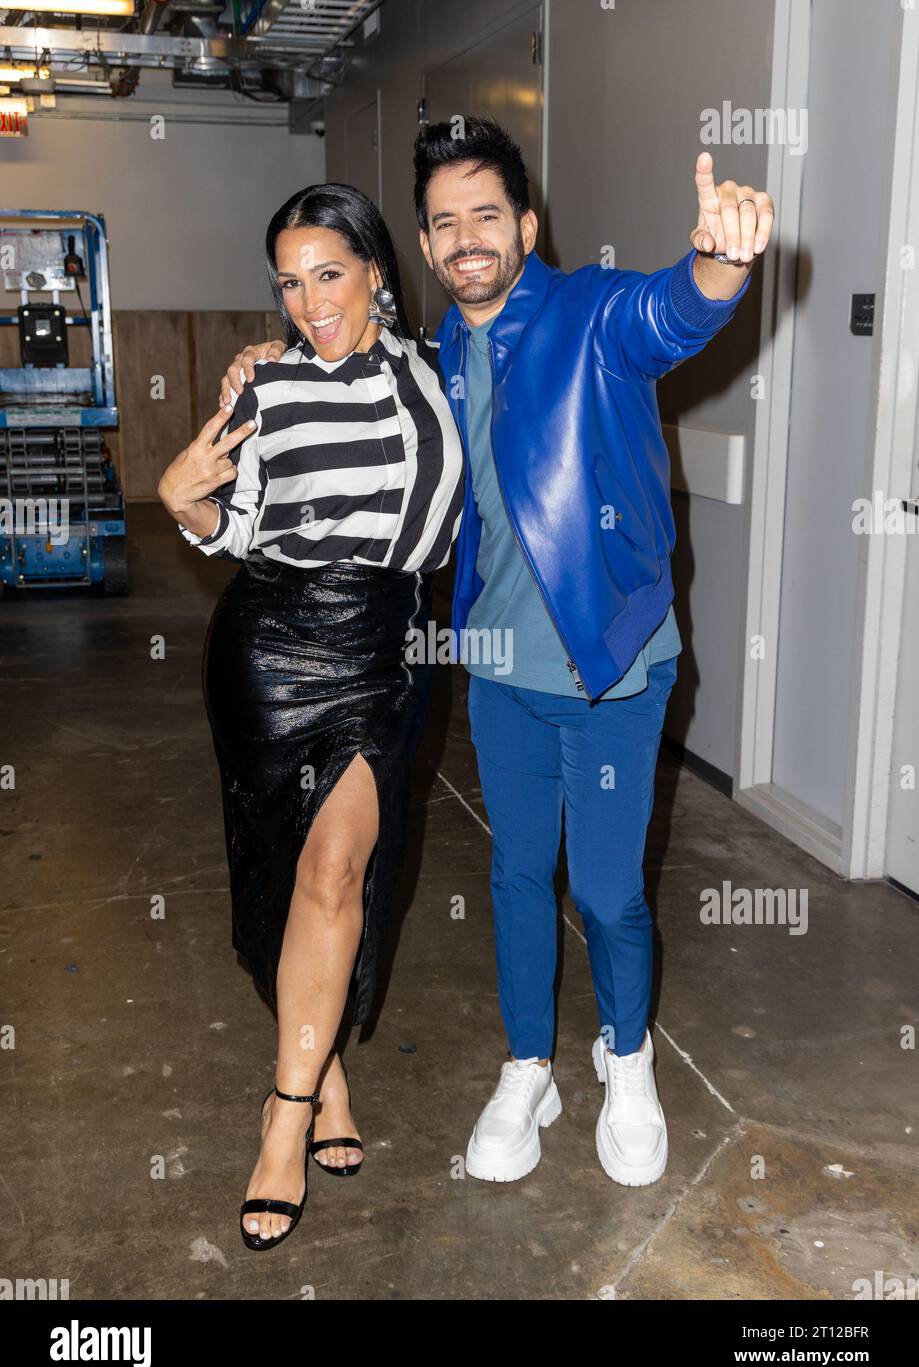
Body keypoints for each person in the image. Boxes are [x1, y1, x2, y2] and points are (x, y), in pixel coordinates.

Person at [220, 118, 773, 1189]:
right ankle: (528, 1066)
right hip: (496, 671)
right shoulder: (433, 361)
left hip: (610, 664)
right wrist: (268, 352)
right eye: (444, 222)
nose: (466, 237)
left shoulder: (589, 314)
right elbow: (340, 367)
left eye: (487, 214)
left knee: (608, 891)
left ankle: (626, 1060)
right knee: (517, 875)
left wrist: (722, 259)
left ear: (526, 224)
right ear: (422, 248)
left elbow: (670, 313)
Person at [157, 183, 464, 1249]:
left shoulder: (446, 373)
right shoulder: (268, 388)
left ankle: (279, 1124)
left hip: (383, 647)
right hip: (267, 646)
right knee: (280, 876)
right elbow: (226, 525)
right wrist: (178, 495)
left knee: (338, 872)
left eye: (327, 273)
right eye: (288, 282)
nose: (307, 302)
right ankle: (322, 1071)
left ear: (379, 268)